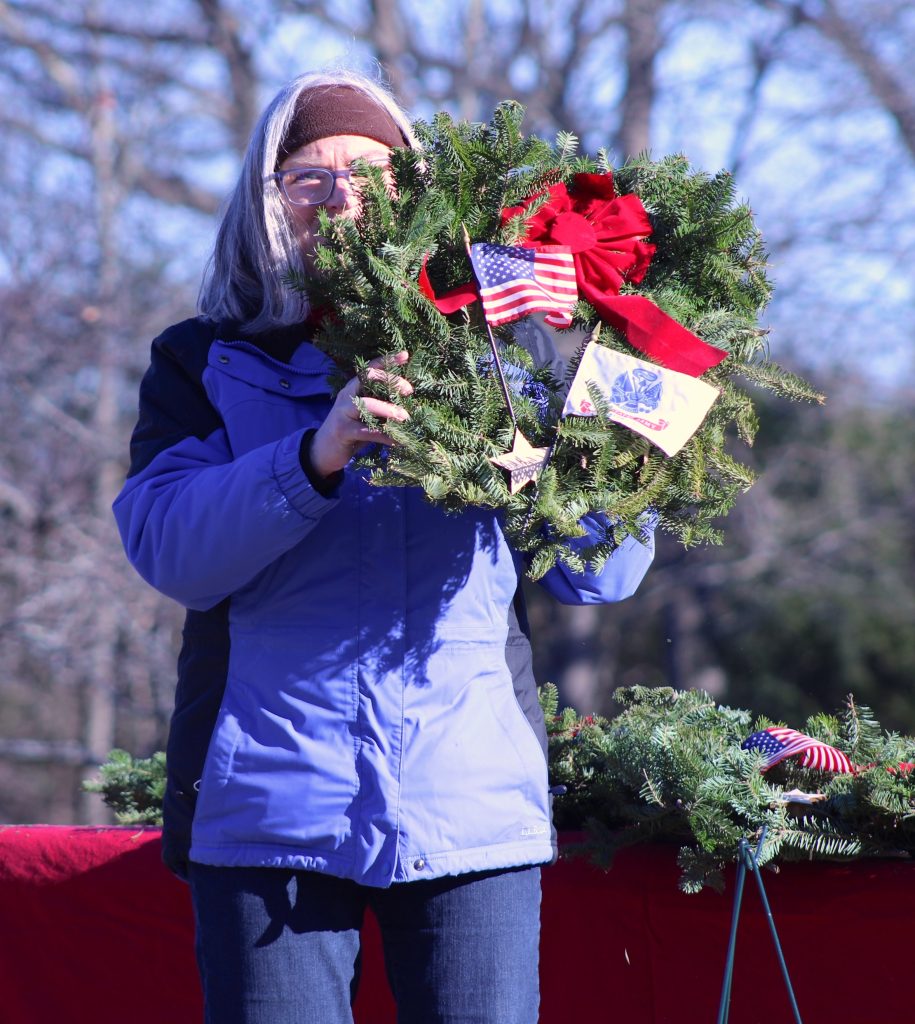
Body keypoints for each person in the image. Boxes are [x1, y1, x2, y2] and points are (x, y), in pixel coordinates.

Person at [113, 69, 655, 1024]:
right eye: (306, 178)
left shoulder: (499, 346)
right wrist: (311, 458)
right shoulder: (203, 359)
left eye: (369, 172)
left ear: (417, 190)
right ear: (265, 201)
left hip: (468, 809)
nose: (340, 200)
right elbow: (170, 550)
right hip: (265, 812)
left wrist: (578, 366)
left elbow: (598, 569)